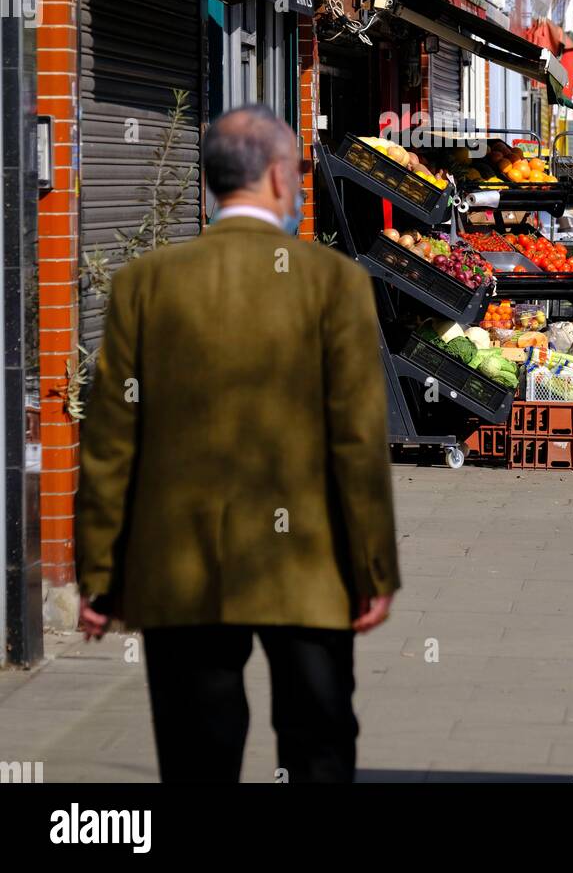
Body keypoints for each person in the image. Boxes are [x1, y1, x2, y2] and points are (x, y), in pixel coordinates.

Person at [76, 104, 400, 784]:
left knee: (196, 758)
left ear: (209, 189)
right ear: (281, 181)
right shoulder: (334, 283)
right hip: (308, 567)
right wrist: (373, 567)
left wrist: (100, 576)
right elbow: (358, 439)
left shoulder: (145, 283)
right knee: (318, 749)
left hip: (182, 569)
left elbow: (111, 441)